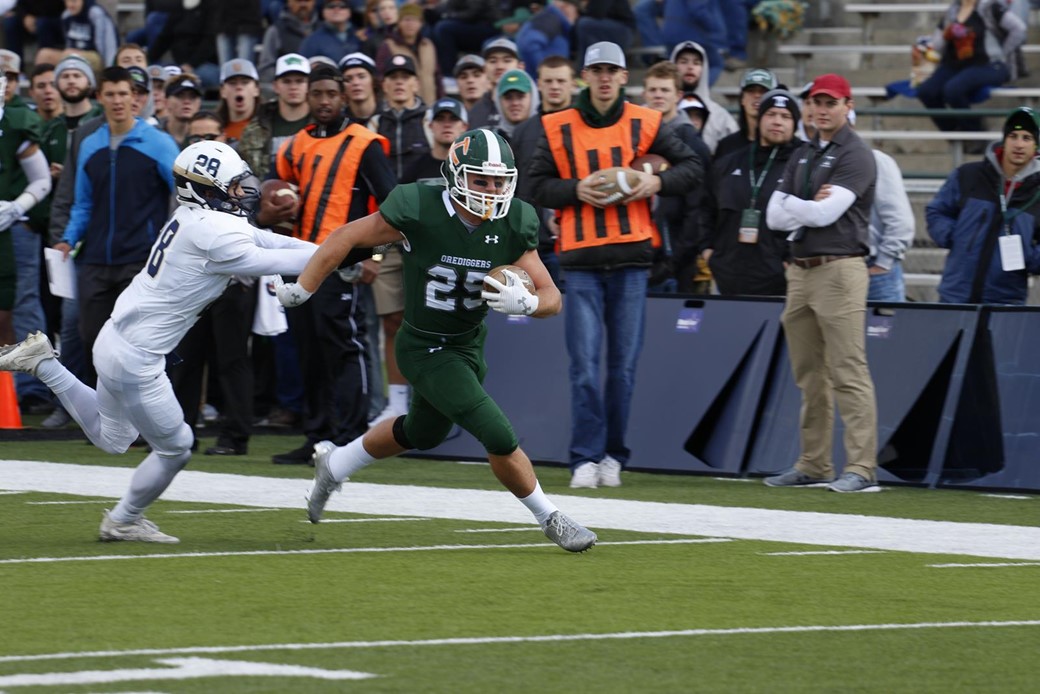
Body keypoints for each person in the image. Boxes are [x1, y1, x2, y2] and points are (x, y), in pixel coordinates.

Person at [274, 128, 597, 553]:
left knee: (422, 432)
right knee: (497, 433)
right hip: (424, 346)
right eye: (481, 179)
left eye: (499, 181)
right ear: (457, 174)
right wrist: (305, 287)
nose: (492, 189)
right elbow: (347, 237)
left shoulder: (515, 220)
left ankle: (335, 463)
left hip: (468, 344)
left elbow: (553, 297)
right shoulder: (418, 205)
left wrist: (529, 303)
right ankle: (550, 517)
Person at [0, 141, 320, 543]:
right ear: (207, 190)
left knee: (114, 440)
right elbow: (282, 261)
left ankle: (45, 364)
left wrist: (336, 247)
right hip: (138, 357)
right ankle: (124, 519)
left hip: (115, 338)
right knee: (177, 447)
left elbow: (273, 242)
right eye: (234, 185)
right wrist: (343, 251)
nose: (244, 192)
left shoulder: (195, 217)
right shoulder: (214, 233)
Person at [527, 42, 702, 489]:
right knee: (584, 366)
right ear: (586, 76)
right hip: (580, 263)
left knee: (621, 368)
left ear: (625, 77)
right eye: (597, 70)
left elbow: (694, 168)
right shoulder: (555, 125)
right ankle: (584, 455)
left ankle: (614, 454)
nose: (605, 77)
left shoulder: (646, 122)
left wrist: (653, 180)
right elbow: (535, 185)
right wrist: (575, 191)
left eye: (613, 70)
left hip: (631, 260)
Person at [272, 64, 396, 465]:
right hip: (300, 260)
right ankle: (316, 436)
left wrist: (375, 256)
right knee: (307, 350)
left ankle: (350, 439)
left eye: (331, 93)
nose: (324, 101)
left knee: (344, 348)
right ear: (307, 97)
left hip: (343, 263)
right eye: (317, 94)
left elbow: (391, 205)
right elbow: (279, 194)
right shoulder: (294, 145)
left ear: (344, 97)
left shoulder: (365, 143)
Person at [763, 73, 879, 493]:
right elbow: (773, 217)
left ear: (848, 106)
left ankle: (862, 467)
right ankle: (813, 462)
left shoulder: (857, 154)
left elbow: (823, 217)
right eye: (815, 102)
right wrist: (805, 205)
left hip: (839, 269)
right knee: (808, 374)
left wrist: (797, 206)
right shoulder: (806, 151)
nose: (820, 109)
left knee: (848, 369)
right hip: (800, 270)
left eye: (830, 102)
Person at [54, 66, 180, 388]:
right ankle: (111, 425)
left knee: (135, 348)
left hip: (140, 260)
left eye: (124, 93)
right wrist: (68, 239)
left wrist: (170, 245)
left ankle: (142, 423)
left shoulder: (159, 143)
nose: (118, 100)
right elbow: (83, 204)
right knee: (93, 343)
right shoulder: (89, 145)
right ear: (99, 98)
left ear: (135, 97)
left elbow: (182, 197)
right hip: (94, 260)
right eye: (110, 94)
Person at [926, 107, 1040, 304]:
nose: (1019, 144)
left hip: (1005, 301)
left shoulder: (1037, 192)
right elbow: (937, 211)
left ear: (1036, 146)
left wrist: (1029, 257)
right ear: (1004, 139)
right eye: (1013, 136)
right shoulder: (968, 175)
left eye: (1027, 138)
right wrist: (953, 235)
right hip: (955, 294)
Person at [699, 89, 800, 296]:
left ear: (794, 124)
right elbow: (704, 207)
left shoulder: (803, 165)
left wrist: (791, 259)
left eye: (785, 116)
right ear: (759, 119)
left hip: (779, 279)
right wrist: (707, 249)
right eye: (771, 114)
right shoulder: (729, 162)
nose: (777, 121)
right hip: (728, 274)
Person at [0, 50, 53, 413]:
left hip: (10, 226)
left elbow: (42, 179)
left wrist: (17, 206)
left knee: (19, 304)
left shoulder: (18, 122)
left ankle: (30, 388)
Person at [641, 61, 712, 293]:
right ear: (644, 93)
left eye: (665, 90)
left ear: (678, 95)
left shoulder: (691, 142)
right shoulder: (634, 135)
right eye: (653, 90)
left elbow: (699, 206)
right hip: (639, 247)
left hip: (677, 256)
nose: (658, 96)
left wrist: (677, 256)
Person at [512, 55, 576, 286]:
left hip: (575, 244)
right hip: (533, 246)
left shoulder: (586, 129)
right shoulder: (522, 132)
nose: (555, 87)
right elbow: (514, 190)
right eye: (549, 81)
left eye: (561, 80)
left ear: (573, 83)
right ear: (538, 84)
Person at [916, 0, 1025, 133]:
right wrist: (947, 34)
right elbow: (937, 45)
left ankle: (974, 130)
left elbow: (1019, 29)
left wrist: (1003, 54)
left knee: (953, 89)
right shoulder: (952, 10)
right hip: (955, 65)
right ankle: (954, 130)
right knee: (926, 92)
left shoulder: (990, 7)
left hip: (989, 65)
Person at [240, 54, 311, 180]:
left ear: (309, 86)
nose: (293, 87)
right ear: (276, 86)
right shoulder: (255, 128)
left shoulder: (323, 125)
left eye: (299, 81)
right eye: (286, 81)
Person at [669, 40, 736, 153]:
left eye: (696, 63)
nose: (690, 67)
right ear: (673, 66)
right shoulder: (657, 109)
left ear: (703, 69)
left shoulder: (720, 116)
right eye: (683, 62)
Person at [372, 54, 428, 180]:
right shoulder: (374, 123)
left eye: (405, 77)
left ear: (416, 84)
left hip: (421, 197)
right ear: (384, 85)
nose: (399, 82)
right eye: (393, 77)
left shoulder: (430, 119)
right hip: (386, 198)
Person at [374, 2, 440, 106]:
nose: (410, 24)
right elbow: (379, 78)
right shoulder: (388, 46)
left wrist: (441, 100)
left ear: (421, 23)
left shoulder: (428, 45)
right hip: (398, 108)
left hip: (429, 106)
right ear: (399, 22)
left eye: (414, 20)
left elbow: (437, 77)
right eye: (406, 19)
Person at [714, 67, 778, 159]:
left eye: (763, 91)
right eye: (751, 90)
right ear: (742, 99)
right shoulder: (726, 146)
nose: (757, 95)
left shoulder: (786, 147)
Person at [432, 0, 499, 79]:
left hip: (486, 26)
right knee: (430, 28)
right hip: (468, 24)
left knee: (443, 28)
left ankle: (448, 74)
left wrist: (445, 16)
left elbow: (473, 14)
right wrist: (433, 12)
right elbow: (449, 6)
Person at [468, 38, 524, 130]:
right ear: (484, 68)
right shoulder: (476, 111)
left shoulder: (533, 107)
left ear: (520, 67)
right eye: (493, 61)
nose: (499, 66)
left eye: (507, 60)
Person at [515, 0, 579, 80]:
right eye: (576, 10)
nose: (577, 16)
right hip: (542, 86)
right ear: (565, 6)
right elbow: (527, 44)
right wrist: (547, 74)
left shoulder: (553, 21)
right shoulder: (550, 20)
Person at [258, 0, 318, 83]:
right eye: (298, 1)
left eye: (307, 1)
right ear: (289, 2)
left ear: (314, 2)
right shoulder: (276, 31)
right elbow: (266, 69)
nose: (303, 4)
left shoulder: (323, 29)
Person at [60, 0, 118, 74]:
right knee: (45, 54)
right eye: (67, 1)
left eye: (74, 1)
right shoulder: (66, 15)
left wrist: (110, 69)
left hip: (96, 56)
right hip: (73, 52)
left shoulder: (96, 14)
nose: (70, 5)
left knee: (69, 55)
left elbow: (110, 45)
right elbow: (67, 42)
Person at [298, 0, 360, 65]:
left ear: (350, 12)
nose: (336, 9)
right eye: (331, 6)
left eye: (343, 6)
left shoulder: (360, 35)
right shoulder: (311, 41)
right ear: (323, 11)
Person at [216, 60, 261, 147]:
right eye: (232, 83)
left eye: (245, 82)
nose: (239, 87)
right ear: (222, 91)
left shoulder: (268, 124)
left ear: (256, 89)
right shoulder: (214, 128)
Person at [494, 68, 539, 142]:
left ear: (533, 97)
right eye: (508, 97)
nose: (515, 103)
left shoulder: (544, 137)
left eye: (520, 96)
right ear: (499, 101)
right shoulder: (493, 142)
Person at [159, 73, 203, 148]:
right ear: (166, 101)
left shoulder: (205, 136)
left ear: (199, 103)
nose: (187, 101)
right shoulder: (155, 134)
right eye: (180, 96)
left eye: (192, 97)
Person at [340, 52, 379, 124]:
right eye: (348, 79)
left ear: (373, 81)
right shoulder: (338, 122)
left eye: (361, 77)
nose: (355, 83)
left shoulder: (390, 119)